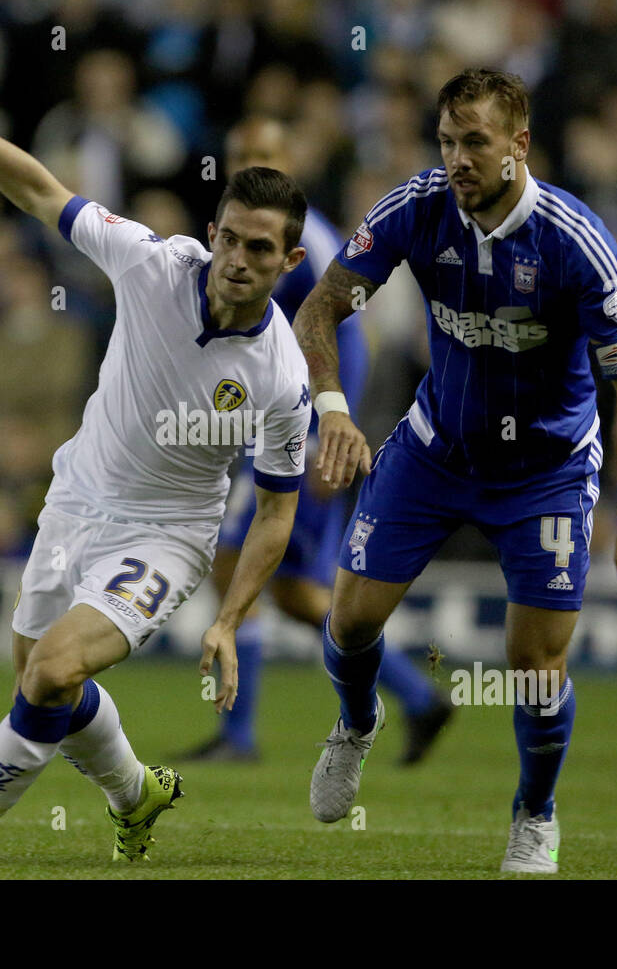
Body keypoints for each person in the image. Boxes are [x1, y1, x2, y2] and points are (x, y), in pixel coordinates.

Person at [0, 31, 313, 863]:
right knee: (39, 674)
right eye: (230, 237)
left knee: (51, 669)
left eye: (260, 248)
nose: (237, 258)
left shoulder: (281, 376)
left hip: (167, 532)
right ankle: (137, 792)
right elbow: (38, 189)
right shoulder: (150, 263)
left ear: (289, 259)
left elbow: (276, 512)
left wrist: (230, 620)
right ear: (214, 228)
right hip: (78, 494)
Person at [292, 69, 617, 873]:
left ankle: (534, 813)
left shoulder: (576, 243)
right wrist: (332, 406)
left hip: (546, 467)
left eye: (475, 142)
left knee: (535, 665)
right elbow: (320, 305)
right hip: (437, 447)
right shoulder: (416, 207)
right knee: (351, 618)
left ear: (519, 144)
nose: (457, 159)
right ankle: (357, 723)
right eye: (446, 141)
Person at [179, 116, 451, 765]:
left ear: (290, 161)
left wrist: (334, 424)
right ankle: (419, 696)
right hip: (264, 430)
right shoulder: (249, 237)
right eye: (241, 151)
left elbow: (341, 336)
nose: (249, 161)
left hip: (298, 434)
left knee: (232, 558)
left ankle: (237, 734)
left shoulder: (311, 246)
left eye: (264, 153)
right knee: (299, 595)